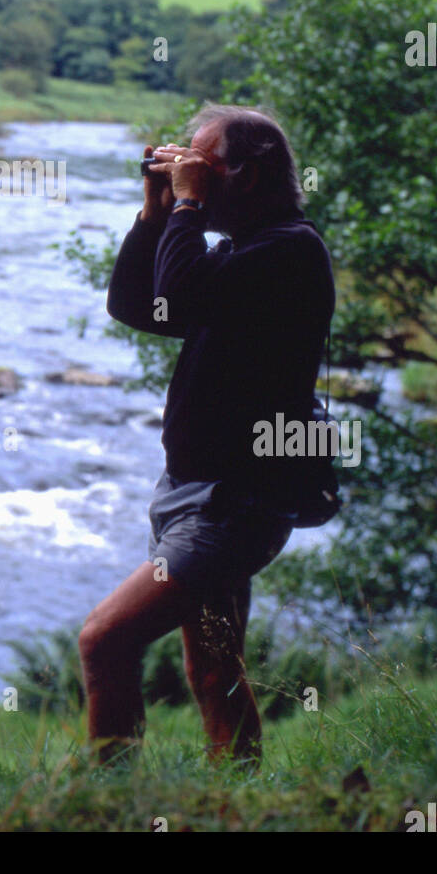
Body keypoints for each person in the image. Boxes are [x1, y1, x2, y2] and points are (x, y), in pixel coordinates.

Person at [79, 103, 336, 765]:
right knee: (212, 670)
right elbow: (140, 306)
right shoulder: (245, 252)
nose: (188, 172)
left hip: (232, 502)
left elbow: (182, 293)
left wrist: (187, 208)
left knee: (104, 638)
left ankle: (105, 800)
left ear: (244, 175)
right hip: (198, 491)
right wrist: (157, 211)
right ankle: (241, 795)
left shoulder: (289, 251)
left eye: (202, 163)